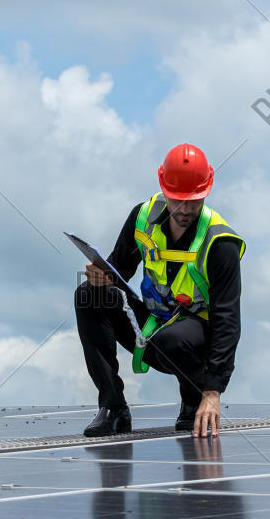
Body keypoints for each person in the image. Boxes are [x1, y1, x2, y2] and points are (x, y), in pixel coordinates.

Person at [74, 143, 245, 438]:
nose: (185, 210)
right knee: (88, 294)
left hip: (192, 340)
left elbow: (227, 320)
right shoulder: (142, 217)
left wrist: (212, 390)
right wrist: (101, 276)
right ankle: (114, 409)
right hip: (152, 325)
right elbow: (120, 272)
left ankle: (194, 401)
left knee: (171, 338)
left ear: (207, 191)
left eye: (194, 201)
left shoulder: (221, 242)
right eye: (177, 200)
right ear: (163, 186)